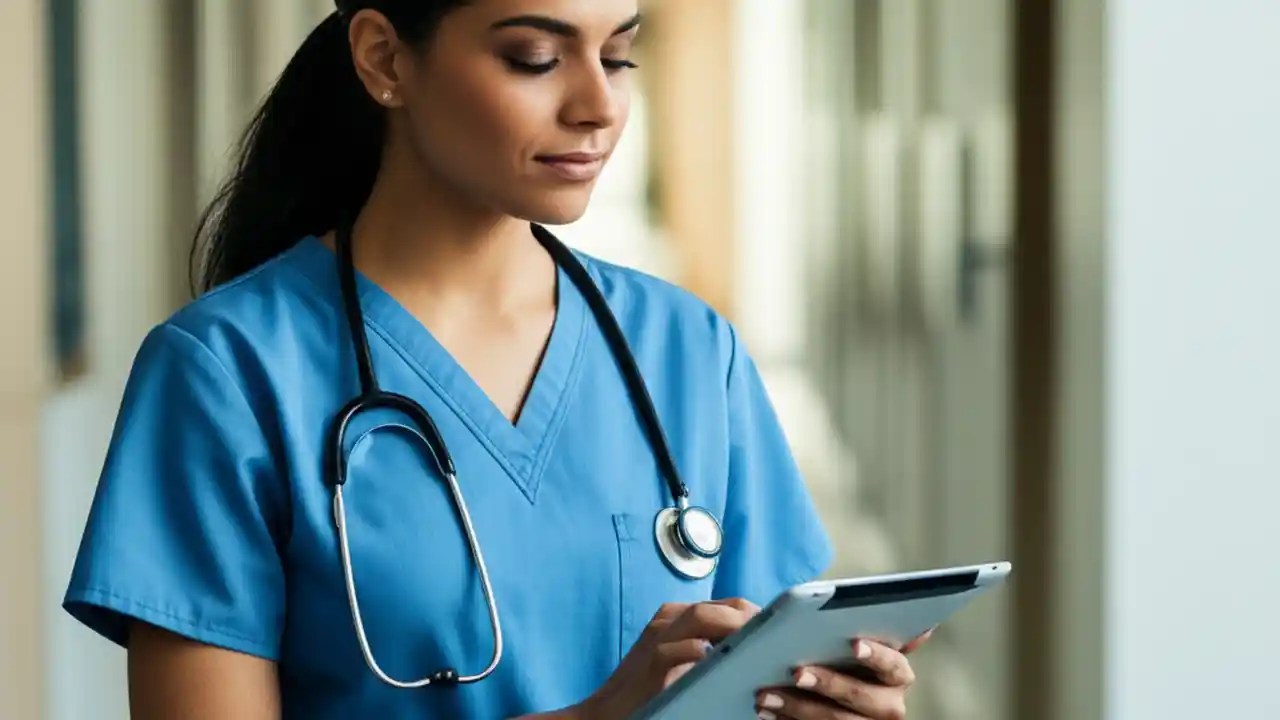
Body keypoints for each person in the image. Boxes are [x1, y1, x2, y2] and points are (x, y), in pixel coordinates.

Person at [62, 1, 929, 718]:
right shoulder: (226, 372)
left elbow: (748, 689)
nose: (598, 104)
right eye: (533, 57)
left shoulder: (690, 350)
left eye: (620, 55)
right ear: (384, 60)